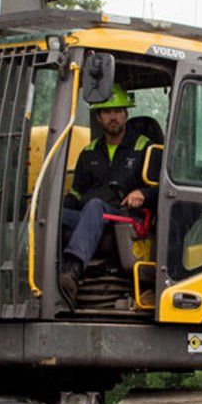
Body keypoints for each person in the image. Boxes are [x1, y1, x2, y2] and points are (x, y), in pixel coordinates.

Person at [58, 85, 155, 308]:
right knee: (53, 216)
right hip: (90, 217)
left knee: (94, 207)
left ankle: (71, 270)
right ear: (99, 117)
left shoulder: (144, 148)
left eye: (118, 111)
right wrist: (54, 207)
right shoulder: (89, 152)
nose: (113, 117)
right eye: (107, 112)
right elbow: (76, 193)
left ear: (126, 114)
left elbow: (162, 188)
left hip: (125, 218)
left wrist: (143, 193)